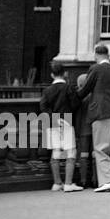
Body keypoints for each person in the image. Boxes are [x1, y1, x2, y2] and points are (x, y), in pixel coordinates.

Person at [79, 43, 110, 193]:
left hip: (102, 111)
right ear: (108, 54)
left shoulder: (96, 69)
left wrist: (74, 96)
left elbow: (85, 89)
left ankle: (108, 180)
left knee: (101, 147)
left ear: (96, 55)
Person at [41, 60, 79, 192]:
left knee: (55, 152)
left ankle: (57, 183)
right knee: (71, 152)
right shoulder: (69, 88)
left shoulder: (47, 90)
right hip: (67, 120)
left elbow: (43, 107)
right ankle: (68, 183)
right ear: (65, 73)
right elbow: (75, 105)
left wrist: (54, 117)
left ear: (52, 75)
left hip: (52, 122)